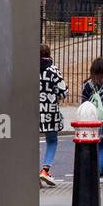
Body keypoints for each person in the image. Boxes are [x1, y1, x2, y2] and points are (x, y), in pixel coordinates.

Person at [38, 43, 67, 187]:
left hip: (33, 112)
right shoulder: (54, 71)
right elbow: (64, 92)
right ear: (49, 54)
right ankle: (44, 170)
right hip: (50, 112)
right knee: (52, 141)